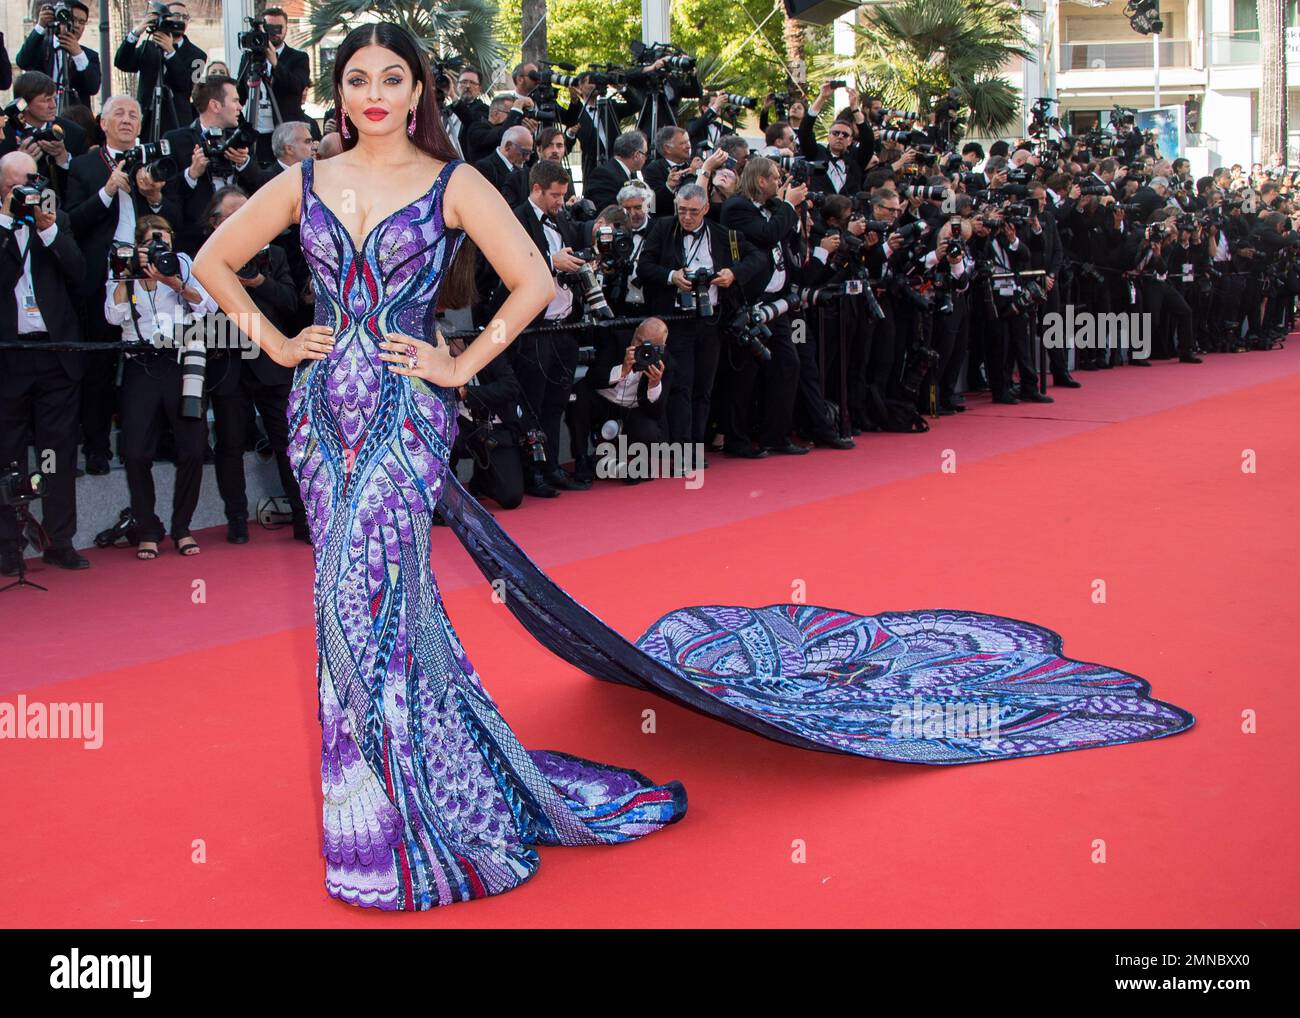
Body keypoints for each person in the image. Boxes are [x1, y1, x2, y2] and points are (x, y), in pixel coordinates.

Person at [190, 21, 1195, 912]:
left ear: (419, 92)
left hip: (407, 411)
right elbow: (212, 260)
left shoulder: (454, 185)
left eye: (392, 78)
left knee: (379, 588)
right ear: (338, 91)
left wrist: (458, 360)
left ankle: (405, 806)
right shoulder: (303, 181)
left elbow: (535, 282)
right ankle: (375, 797)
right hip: (323, 415)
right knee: (347, 598)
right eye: (358, 78)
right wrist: (276, 343)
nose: (374, 94)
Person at [104, 214, 217, 557]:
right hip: (140, 364)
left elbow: (208, 306)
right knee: (136, 451)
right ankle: (147, 527)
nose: (157, 246)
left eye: (163, 238)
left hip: (182, 362)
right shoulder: (124, 267)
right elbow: (111, 316)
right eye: (150, 240)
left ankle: (183, 527)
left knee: (193, 449)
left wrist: (173, 282)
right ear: (138, 245)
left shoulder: (182, 264)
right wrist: (127, 276)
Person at [0, 150, 89, 574]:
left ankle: (59, 540)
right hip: (10, 358)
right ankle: (9, 546)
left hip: (55, 357)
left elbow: (81, 275)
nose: (31, 190)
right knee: (8, 457)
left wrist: (49, 230)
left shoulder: (56, 222)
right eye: (21, 183)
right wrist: (9, 222)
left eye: (35, 180)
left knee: (56, 455)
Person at [15, 3, 101, 112]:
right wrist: (41, 25)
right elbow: (22, 62)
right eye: (72, 19)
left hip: (73, 119)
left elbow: (92, 87)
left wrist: (78, 54)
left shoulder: (89, 56)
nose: (77, 25)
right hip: (42, 117)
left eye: (82, 22)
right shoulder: (42, 48)